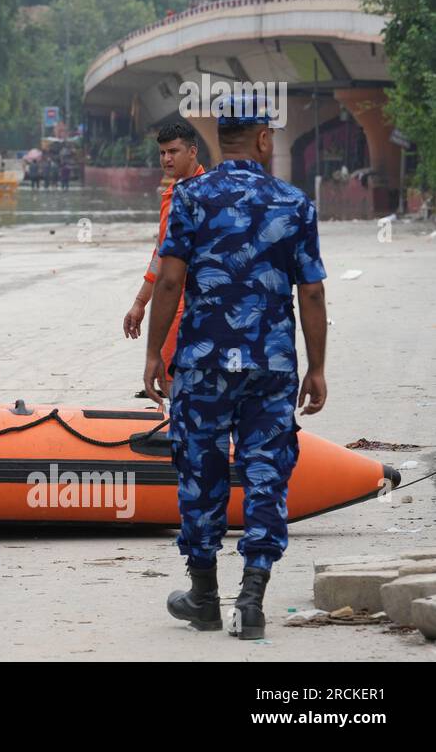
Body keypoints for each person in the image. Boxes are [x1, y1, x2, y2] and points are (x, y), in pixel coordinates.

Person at [144, 94, 328, 641]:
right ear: (265, 139)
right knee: (267, 472)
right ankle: (251, 599)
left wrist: (154, 353)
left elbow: (171, 280)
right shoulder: (294, 203)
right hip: (270, 367)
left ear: (218, 139)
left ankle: (203, 596)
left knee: (200, 472)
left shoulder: (191, 197)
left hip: (202, 364)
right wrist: (316, 368)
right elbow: (313, 293)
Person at [122, 122, 205, 392]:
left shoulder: (203, 196)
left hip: (185, 307)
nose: (166, 159)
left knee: (172, 386)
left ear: (192, 152)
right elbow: (160, 254)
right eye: (162, 153)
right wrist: (140, 302)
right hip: (184, 306)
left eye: (173, 151)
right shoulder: (173, 195)